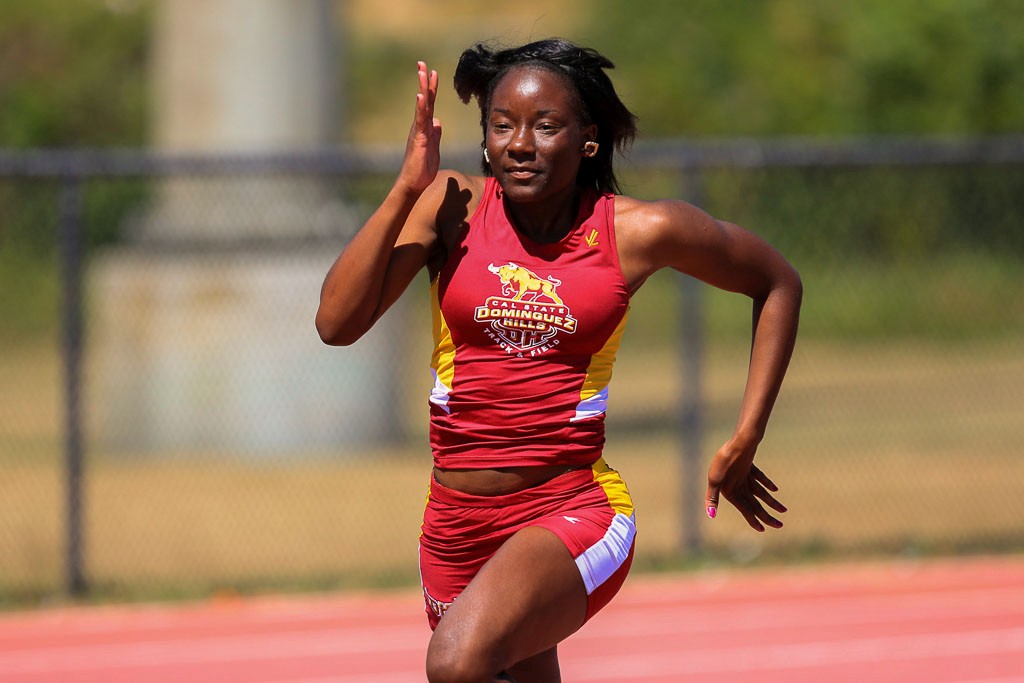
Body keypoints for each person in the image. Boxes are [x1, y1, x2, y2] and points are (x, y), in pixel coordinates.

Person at [316, 38, 802, 683]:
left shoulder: (637, 231)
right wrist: (407, 187)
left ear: (588, 139)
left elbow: (776, 283)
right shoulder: (451, 206)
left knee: (456, 663)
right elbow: (336, 324)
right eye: (503, 125)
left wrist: (747, 435)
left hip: (570, 509)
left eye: (546, 126)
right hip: (453, 524)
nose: (521, 143)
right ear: (485, 138)